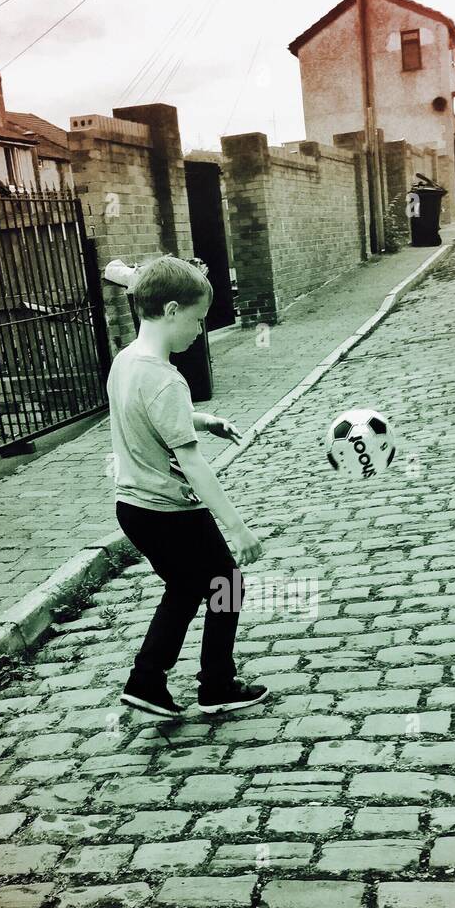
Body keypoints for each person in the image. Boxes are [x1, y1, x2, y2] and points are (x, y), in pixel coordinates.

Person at [106, 254, 269, 720]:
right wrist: (237, 528)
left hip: (133, 507)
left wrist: (202, 420)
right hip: (170, 509)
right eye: (198, 319)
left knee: (184, 587)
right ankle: (215, 684)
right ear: (173, 309)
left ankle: (148, 681)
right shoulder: (166, 377)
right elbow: (193, 464)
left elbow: (146, 417)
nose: (199, 331)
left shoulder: (127, 362)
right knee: (227, 583)